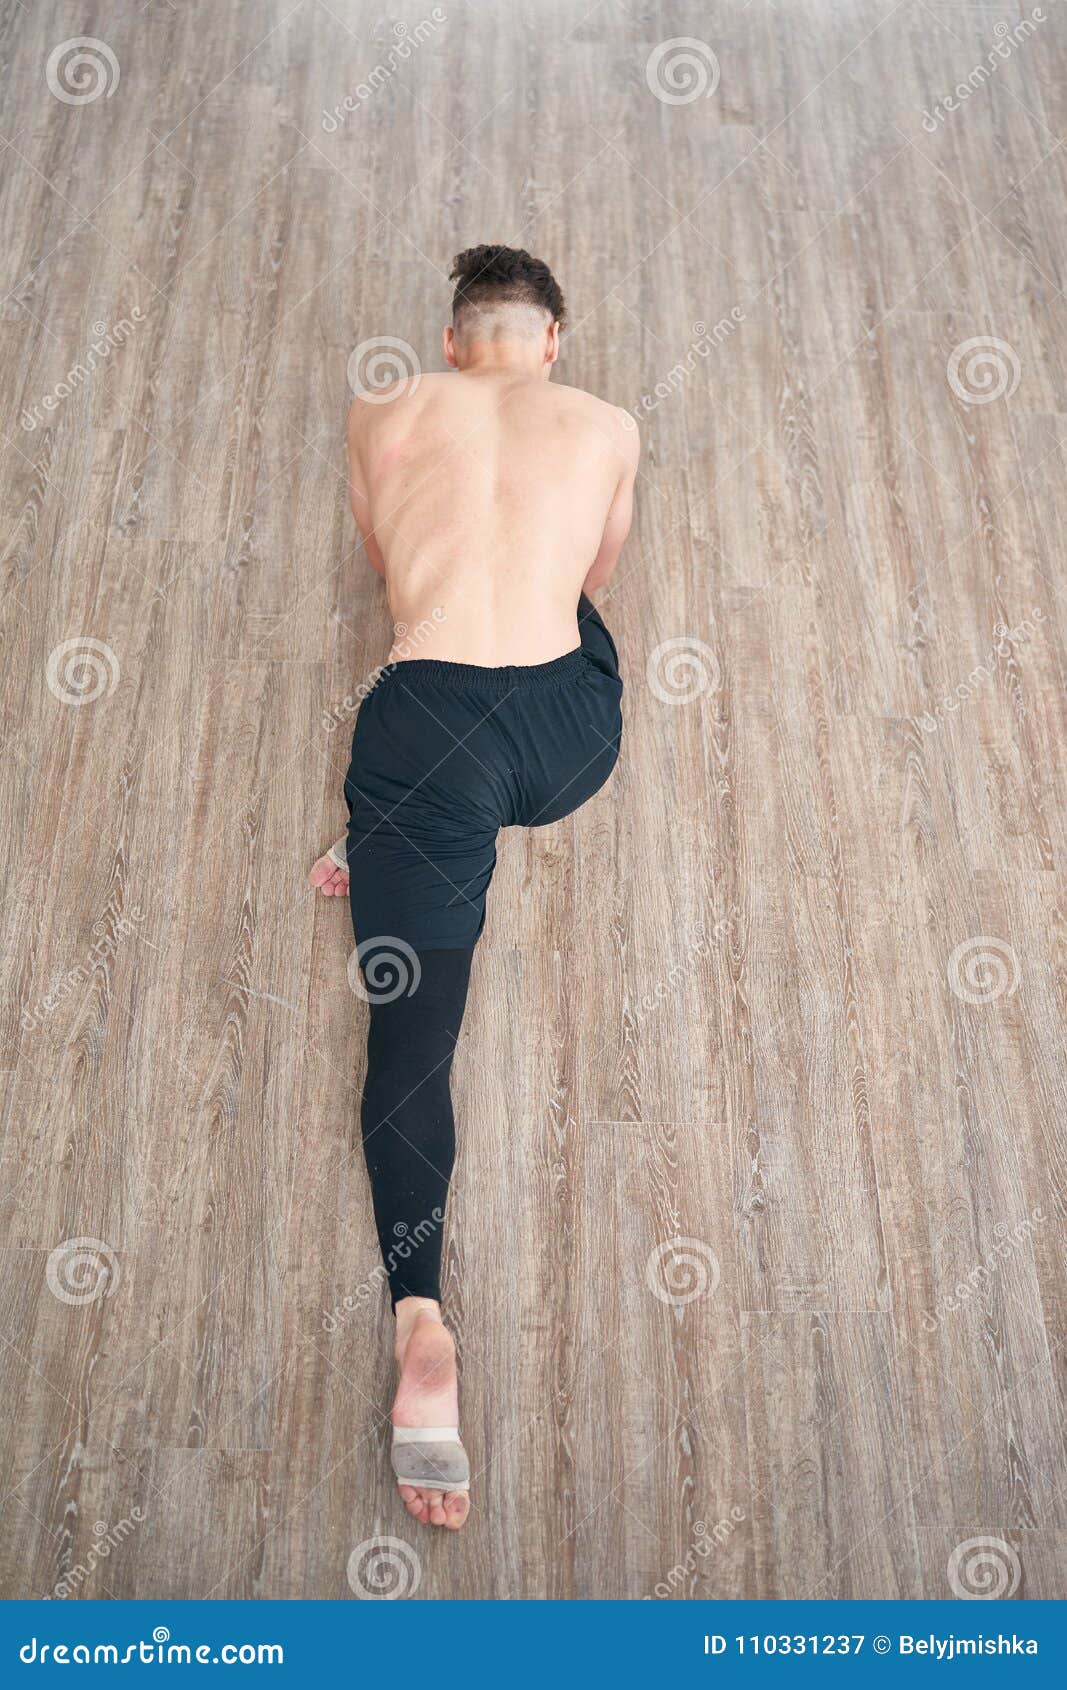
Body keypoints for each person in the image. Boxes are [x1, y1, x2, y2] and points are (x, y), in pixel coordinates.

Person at [309, 245, 639, 1530]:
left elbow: (387, 559)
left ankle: (421, 1315)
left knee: (412, 1043)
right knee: (573, 617)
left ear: (452, 343)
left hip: (426, 735)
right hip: (564, 744)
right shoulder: (607, 422)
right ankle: (393, 839)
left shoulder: (379, 412)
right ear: (549, 343)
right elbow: (591, 578)